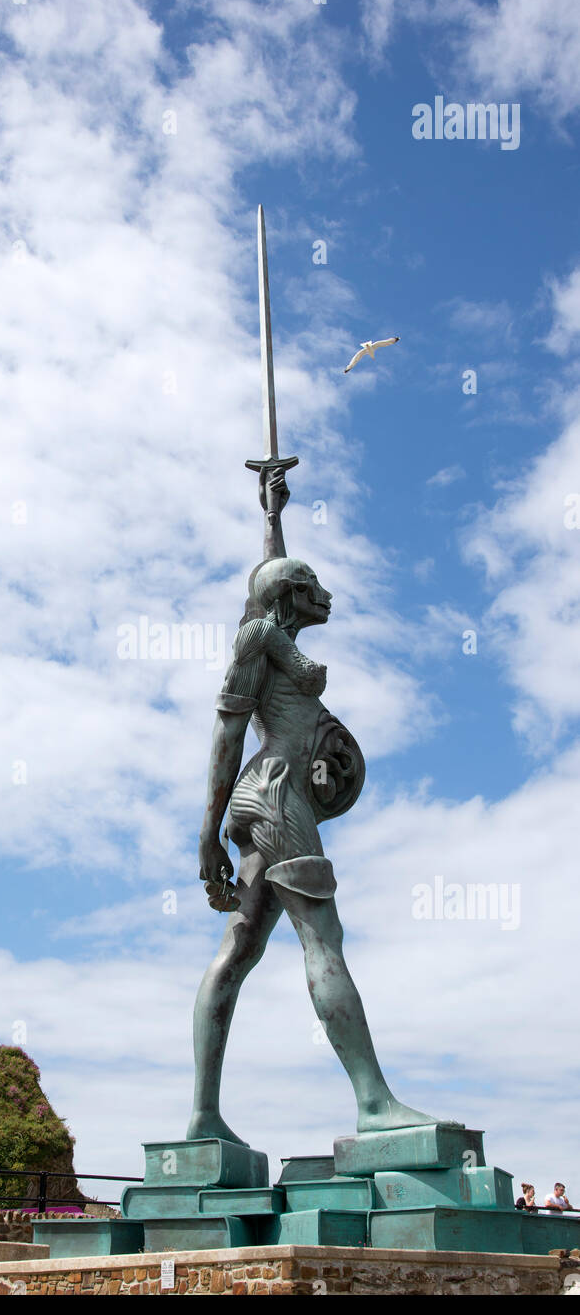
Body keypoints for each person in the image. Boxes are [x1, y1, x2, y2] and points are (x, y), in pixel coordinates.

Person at [190, 466, 452, 1144]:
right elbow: (224, 731)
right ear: (293, 596)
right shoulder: (256, 641)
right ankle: (373, 1103)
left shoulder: (275, 634)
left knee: (240, 948)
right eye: (312, 588)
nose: (324, 595)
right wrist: (206, 834)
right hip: (274, 797)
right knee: (323, 938)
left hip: (279, 793)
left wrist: (273, 512)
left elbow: (268, 577)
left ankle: (203, 1117)